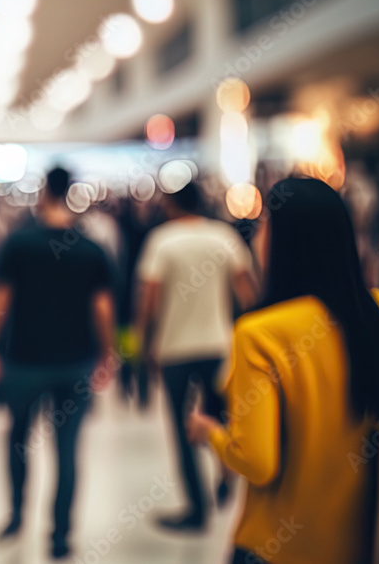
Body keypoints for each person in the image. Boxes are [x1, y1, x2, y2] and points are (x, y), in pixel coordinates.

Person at [187, 177, 379, 564]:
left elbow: (258, 462)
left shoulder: (259, 333)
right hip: (374, 541)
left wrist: (211, 434)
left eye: (265, 224)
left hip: (278, 546)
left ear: (282, 240)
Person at [0, 166, 116, 560]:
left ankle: (17, 515)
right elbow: (102, 309)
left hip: (24, 360)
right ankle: (59, 535)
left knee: (17, 440)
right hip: (75, 362)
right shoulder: (91, 249)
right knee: (68, 450)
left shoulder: (19, 244)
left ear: (43, 193)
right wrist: (107, 354)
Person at [133, 179, 256, 530]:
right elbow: (247, 291)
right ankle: (226, 471)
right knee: (223, 417)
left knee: (182, 427)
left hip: (175, 348)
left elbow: (150, 298)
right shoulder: (224, 236)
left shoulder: (161, 240)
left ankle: (197, 508)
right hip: (220, 344)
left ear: (172, 206)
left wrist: (144, 340)